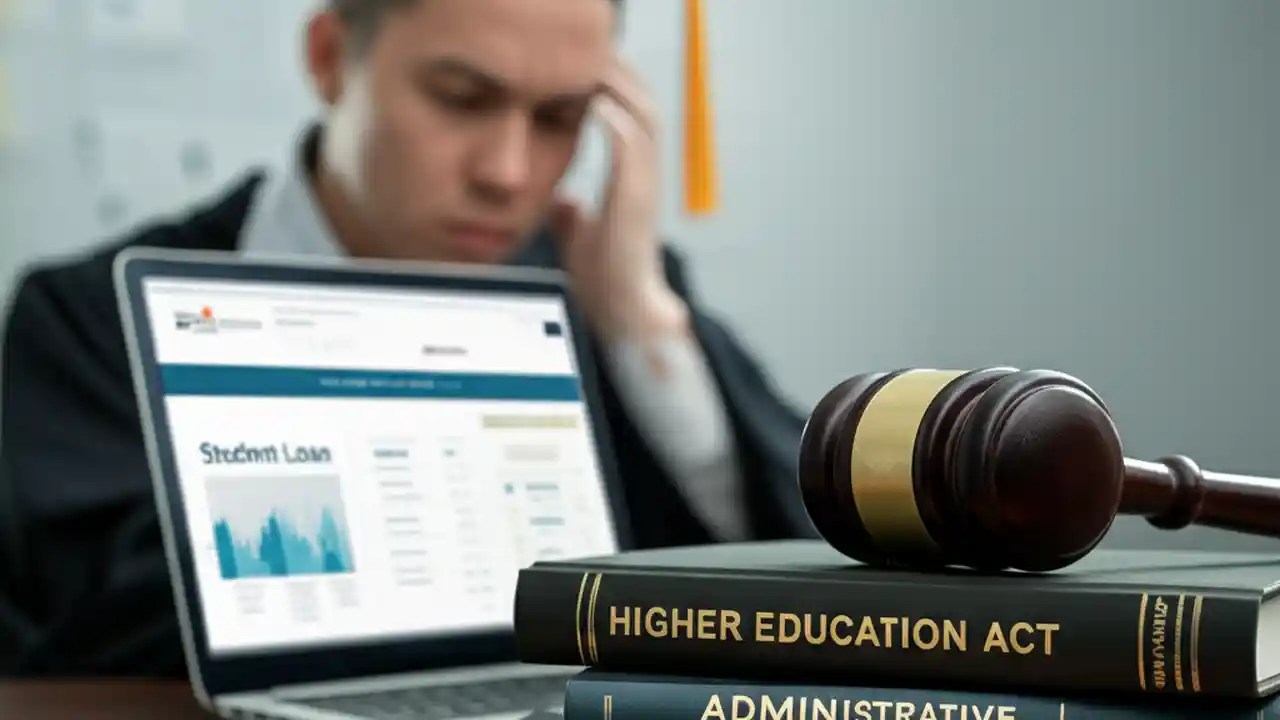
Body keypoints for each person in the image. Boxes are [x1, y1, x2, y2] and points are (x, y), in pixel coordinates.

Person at [0, 0, 814, 678]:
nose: (507, 172)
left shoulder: (610, 297)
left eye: (560, 118)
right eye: (461, 98)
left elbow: (795, 572)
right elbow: (95, 628)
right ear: (329, 58)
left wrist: (642, 327)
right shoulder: (89, 322)